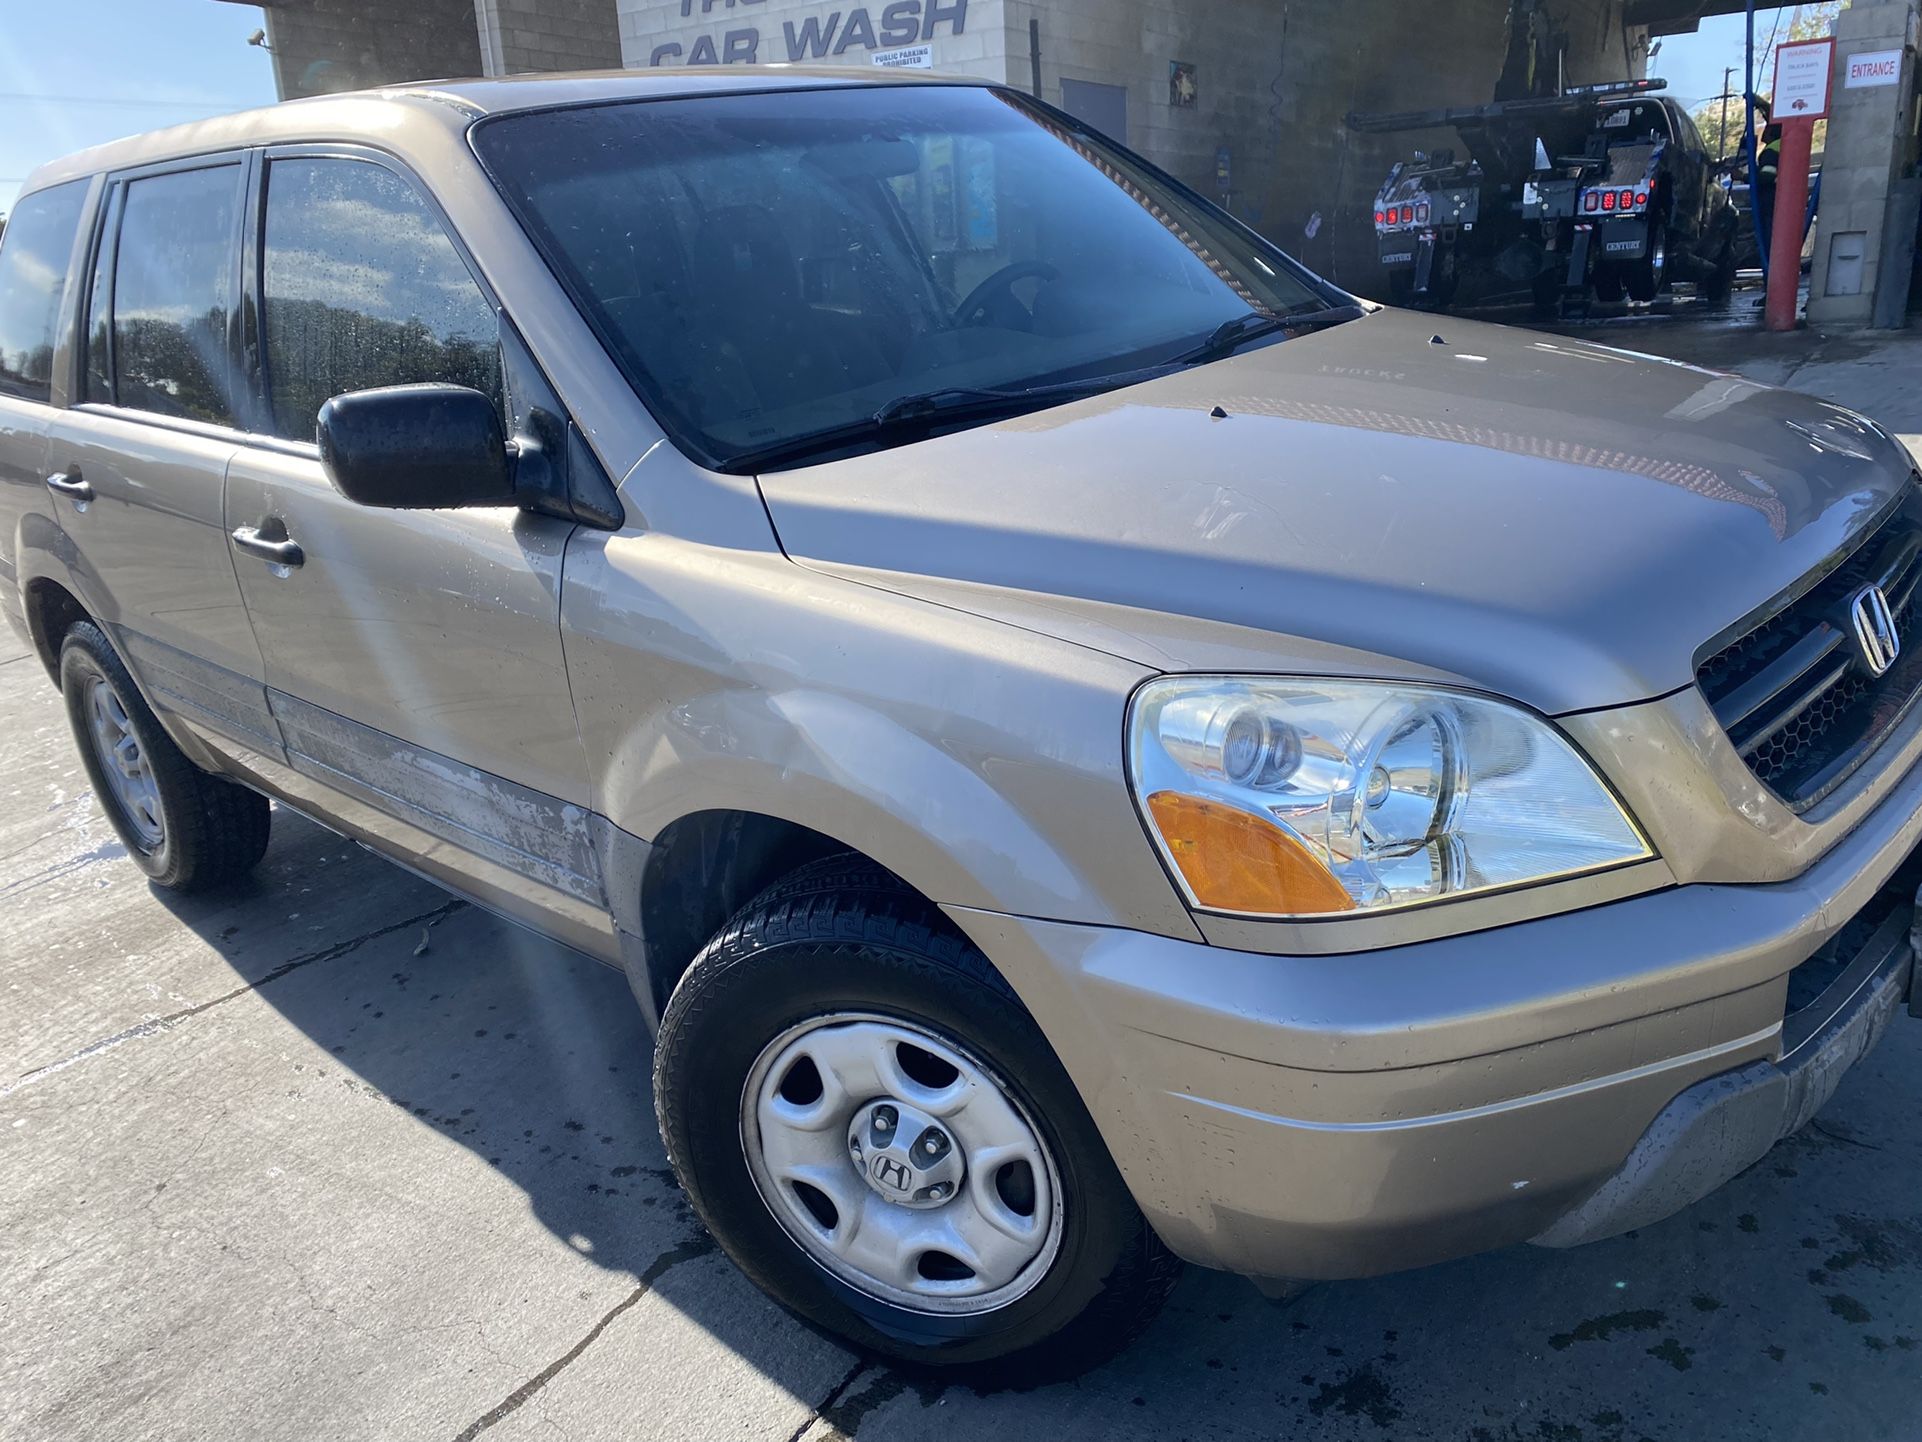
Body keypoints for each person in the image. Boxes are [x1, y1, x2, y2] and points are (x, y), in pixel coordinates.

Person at [1752, 94, 1782, 266]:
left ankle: (1770, 285)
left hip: (1770, 202)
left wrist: (1745, 177)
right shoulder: (1785, 143)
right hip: (1778, 202)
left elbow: (1767, 177)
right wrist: (1761, 105)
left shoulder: (1771, 151)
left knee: (1769, 244)